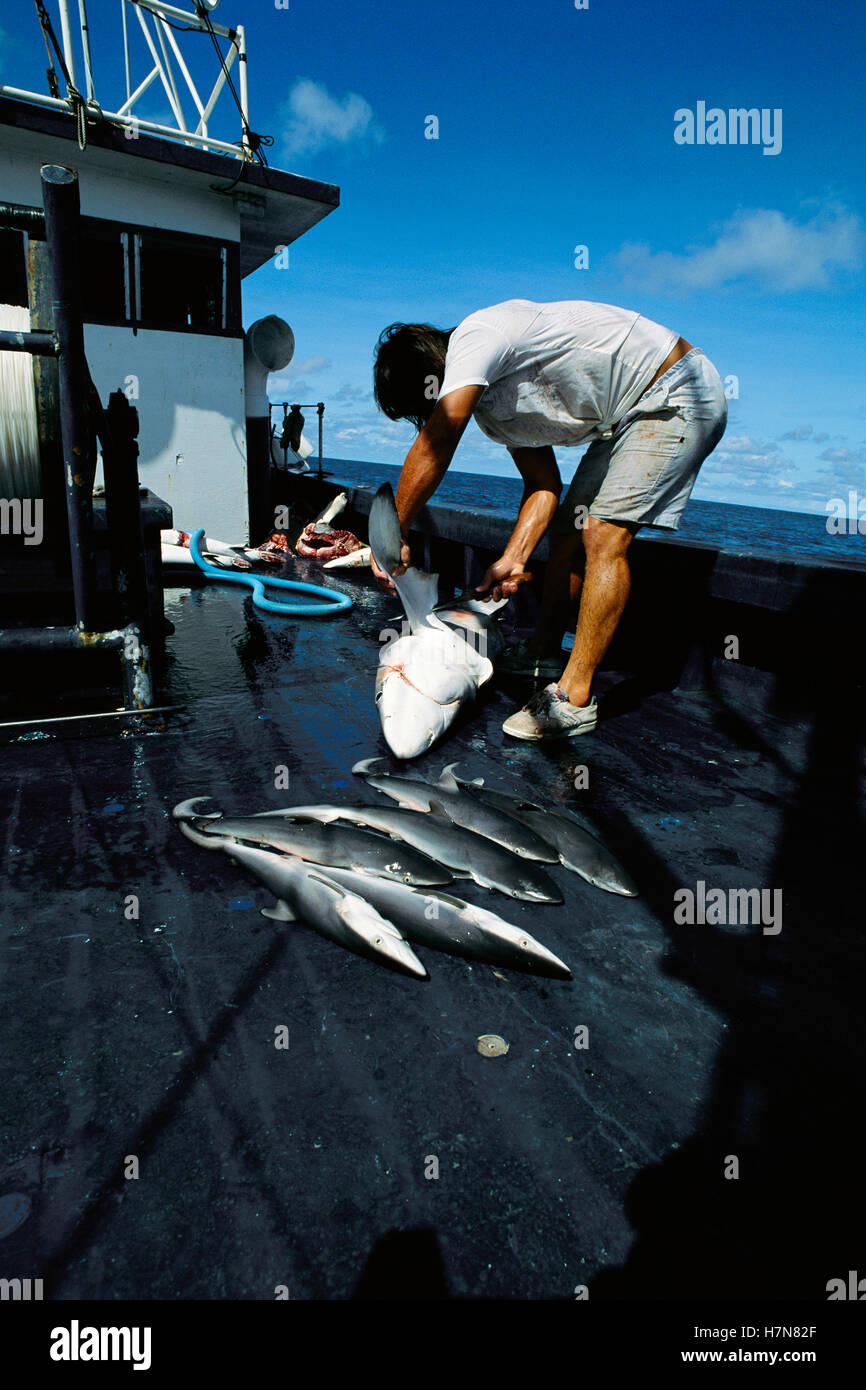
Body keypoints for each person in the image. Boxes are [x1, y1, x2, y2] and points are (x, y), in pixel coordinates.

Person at [371, 299, 727, 741]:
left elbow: (441, 433)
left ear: (430, 372)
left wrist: (393, 533)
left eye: (421, 403)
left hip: (675, 389)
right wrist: (513, 557)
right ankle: (544, 652)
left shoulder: (478, 335)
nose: (427, 412)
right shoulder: (495, 412)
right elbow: (544, 486)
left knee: (603, 534)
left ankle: (573, 699)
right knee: (568, 532)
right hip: (624, 417)